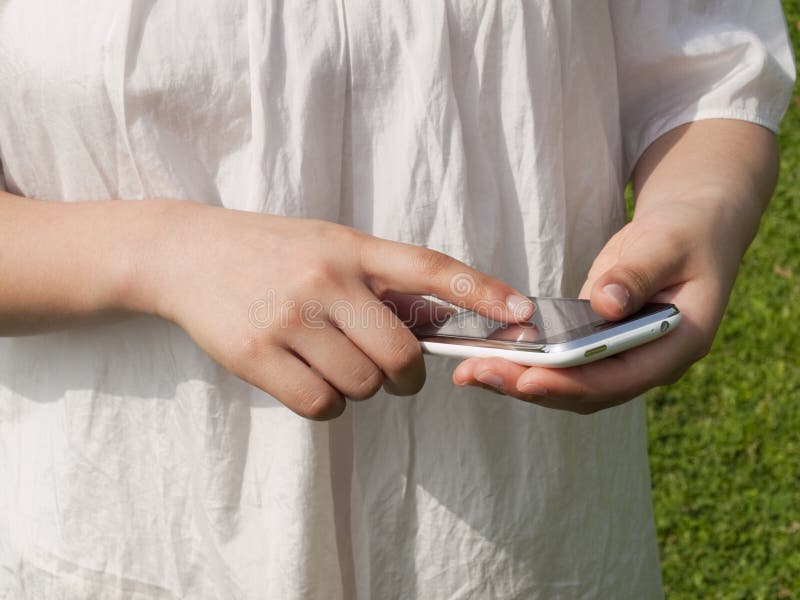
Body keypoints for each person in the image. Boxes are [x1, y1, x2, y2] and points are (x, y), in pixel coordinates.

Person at [0, 2, 794, 598]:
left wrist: (697, 211)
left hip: (519, 540)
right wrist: (161, 254)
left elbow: (708, 69)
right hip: (138, 539)